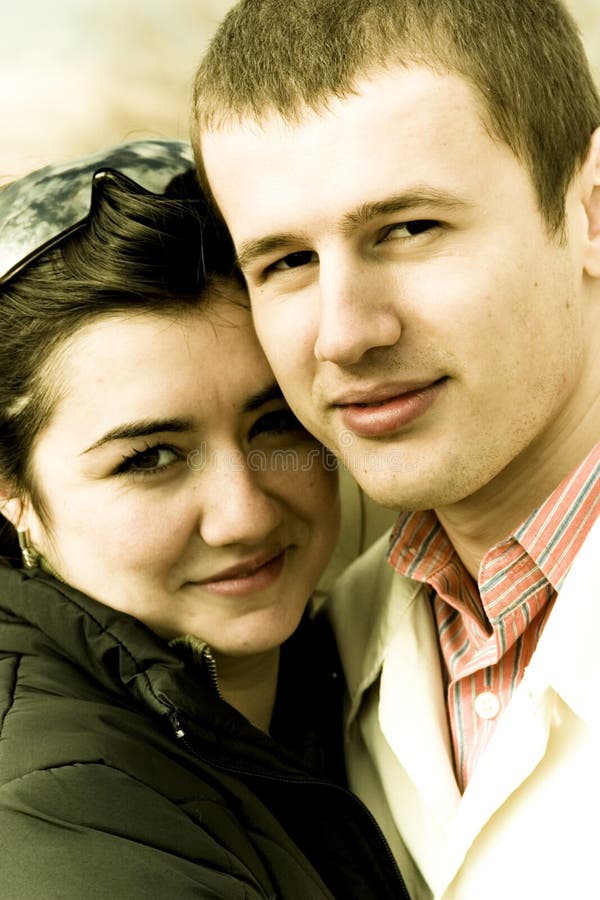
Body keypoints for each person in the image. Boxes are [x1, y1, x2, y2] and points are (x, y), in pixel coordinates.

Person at [191, 2, 600, 898]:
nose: (343, 335)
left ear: (590, 212)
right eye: (285, 262)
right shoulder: (321, 642)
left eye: (409, 229)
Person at [0, 139, 408, 899]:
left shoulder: (359, 656)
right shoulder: (59, 809)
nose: (244, 515)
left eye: (275, 423)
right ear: (12, 489)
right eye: (150, 457)